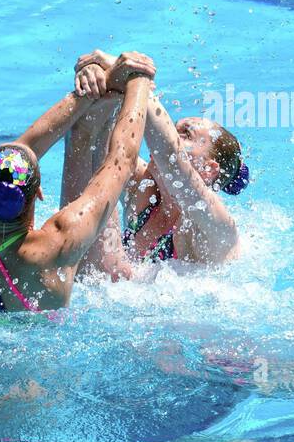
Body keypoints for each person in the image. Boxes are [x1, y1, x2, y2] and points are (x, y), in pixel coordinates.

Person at [0, 51, 155, 315]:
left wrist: (95, 86)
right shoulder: (56, 245)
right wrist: (139, 77)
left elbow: (25, 145)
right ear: (38, 192)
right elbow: (122, 159)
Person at [65, 50, 248, 275]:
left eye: (186, 134)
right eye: (173, 130)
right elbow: (97, 143)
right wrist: (100, 81)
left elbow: (170, 157)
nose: (172, 136)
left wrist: (133, 76)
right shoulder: (144, 186)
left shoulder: (216, 225)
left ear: (209, 170)